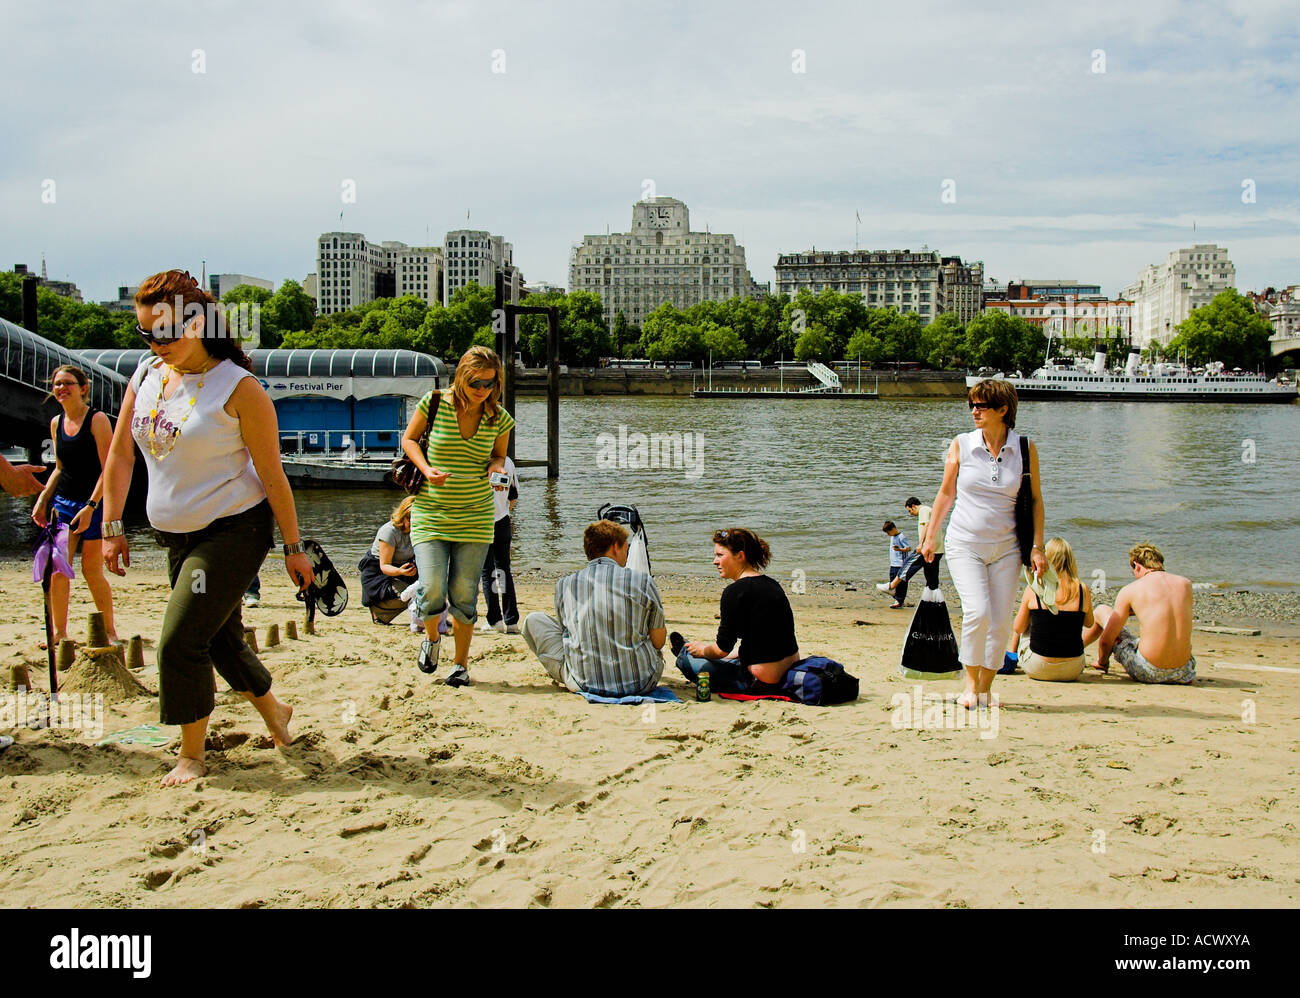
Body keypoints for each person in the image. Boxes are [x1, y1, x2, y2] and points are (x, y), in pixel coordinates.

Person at [100, 269, 314, 788]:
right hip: (175, 535)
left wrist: (293, 547)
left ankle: (191, 753)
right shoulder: (146, 376)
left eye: (167, 333)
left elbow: (272, 474)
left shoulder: (239, 388)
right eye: (146, 333)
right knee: (216, 638)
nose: (156, 343)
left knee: (178, 642)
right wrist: (110, 525)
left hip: (234, 530)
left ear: (196, 323)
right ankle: (275, 712)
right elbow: (121, 455)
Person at [918, 379, 1046, 708]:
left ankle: (986, 686)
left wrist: (1038, 547)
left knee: (1001, 620)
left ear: (1003, 410)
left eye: (982, 406)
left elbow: (1034, 501)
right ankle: (970, 683)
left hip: (1008, 548)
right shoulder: (960, 444)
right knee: (978, 611)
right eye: (972, 405)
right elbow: (946, 493)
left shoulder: (1025, 447)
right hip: (965, 543)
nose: (974, 411)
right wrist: (931, 534)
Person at [400, 345, 514, 687]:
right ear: (462, 377)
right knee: (432, 585)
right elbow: (409, 440)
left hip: (476, 516)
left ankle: (461, 665)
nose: (483, 390)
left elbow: (498, 457)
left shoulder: (499, 417)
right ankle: (432, 639)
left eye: (490, 383)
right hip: (431, 511)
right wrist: (426, 468)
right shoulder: (434, 402)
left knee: (464, 592)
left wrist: (497, 471)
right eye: (476, 382)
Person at [522, 520, 666, 697]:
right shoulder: (643, 581)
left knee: (533, 620)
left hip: (583, 682)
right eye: (625, 549)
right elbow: (659, 642)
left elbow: (565, 632)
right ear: (615, 547)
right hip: (640, 682)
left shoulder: (565, 584)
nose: (627, 555)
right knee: (653, 635)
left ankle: (580, 669)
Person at [30, 366, 118, 647]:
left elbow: (109, 470)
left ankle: (109, 630)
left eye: (68, 383)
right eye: (57, 384)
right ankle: (60, 632)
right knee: (58, 569)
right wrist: (43, 498)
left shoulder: (97, 420)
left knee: (91, 570)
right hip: (64, 504)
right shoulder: (56, 422)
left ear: (83, 388)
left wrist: (92, 506)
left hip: (92, 503)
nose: (61, 388)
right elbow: (59, 468)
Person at [671, 527, 800, 691]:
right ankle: (691, 649)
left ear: (740, 555)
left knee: (690, 662)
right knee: (723, 657)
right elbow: (766, 640)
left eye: (720, 555)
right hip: (788, 669)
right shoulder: (772, 584)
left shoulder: (734, 592)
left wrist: (703, 650)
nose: (714, 561)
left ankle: (684, 651)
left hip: (759, 680)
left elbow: (721, 650)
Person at [1084, 542, 1195, 684]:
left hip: (1149, 671)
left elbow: (1106, 641)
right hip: (1184, 671)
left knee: (1101, 611)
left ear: (1137, 565)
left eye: (1133, 572)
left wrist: (1103, 660)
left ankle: (1082, 655)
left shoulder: (1131, 589)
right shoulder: (1186, 584)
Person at [1007, 537, 1094, 682]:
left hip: (1039, 667)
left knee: (1027, 620)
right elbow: (1089, 623)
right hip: (1073, 668)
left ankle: (1011, 657)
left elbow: (1018, 628)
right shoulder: (1082, 588)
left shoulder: (1035, 588)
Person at [359, 495, 418, 622]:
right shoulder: (389, 531)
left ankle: (437, 618)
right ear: (402, 516)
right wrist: (400, 571)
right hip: (378, 574)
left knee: (432, 589)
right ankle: (378, 609)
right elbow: (384, 565)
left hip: (403, 569)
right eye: (410, 519)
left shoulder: (419, 530)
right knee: (410, 594)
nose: (414, 523)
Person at [479, 455, 520, 633]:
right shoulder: (508, 462)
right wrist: (503, 510)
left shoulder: (476, 460)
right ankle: (511, 620)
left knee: (488, 572)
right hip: (502, 520)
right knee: (504, 569)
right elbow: (513, 496)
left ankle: (495, 620)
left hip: (481, 521)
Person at [887, 496, 944, 596]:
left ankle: (891, 586)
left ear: (913, 506)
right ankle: (932, 598)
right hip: (937, 549)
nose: (911, 514)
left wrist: (921, 544)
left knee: (908, 564)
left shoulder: (923, 510)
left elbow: (926, 525)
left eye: (909, 511)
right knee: (931, 576)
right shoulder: (930, 510)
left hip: (927, 548)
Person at [875, 520, 912, 609]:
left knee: (901, 583)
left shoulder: (901, 537)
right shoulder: (893, 537)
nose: (888, 535)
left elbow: (908, 548)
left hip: (901, 563)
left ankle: (899, 601)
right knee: (893, 580)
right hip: (893, 563)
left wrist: (899, 549)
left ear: (893, 529)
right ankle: (897, 599)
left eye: (888, 532)